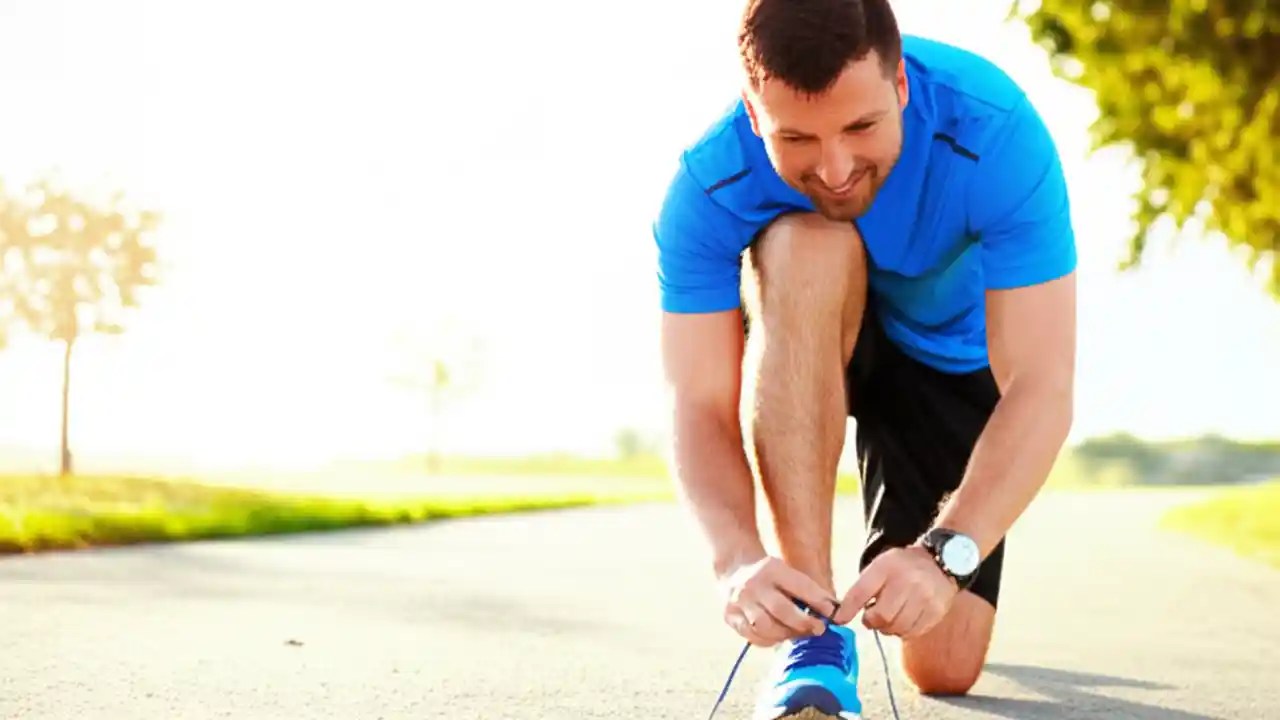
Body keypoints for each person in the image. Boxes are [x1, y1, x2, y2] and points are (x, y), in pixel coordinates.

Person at [652, 0, 1077, 717]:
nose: (837, 168)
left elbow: (1042, 383)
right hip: (804, 327)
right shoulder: (707, 183)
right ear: (754, 118)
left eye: (861, 126)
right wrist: (736, 562)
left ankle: (914, 584)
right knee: (806, 240)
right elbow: (696, 401)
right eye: (797, 138)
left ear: (901, 86)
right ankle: (812, 639)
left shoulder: (996, 130)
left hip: (942, 358)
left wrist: (946, 553)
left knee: (943, 666)